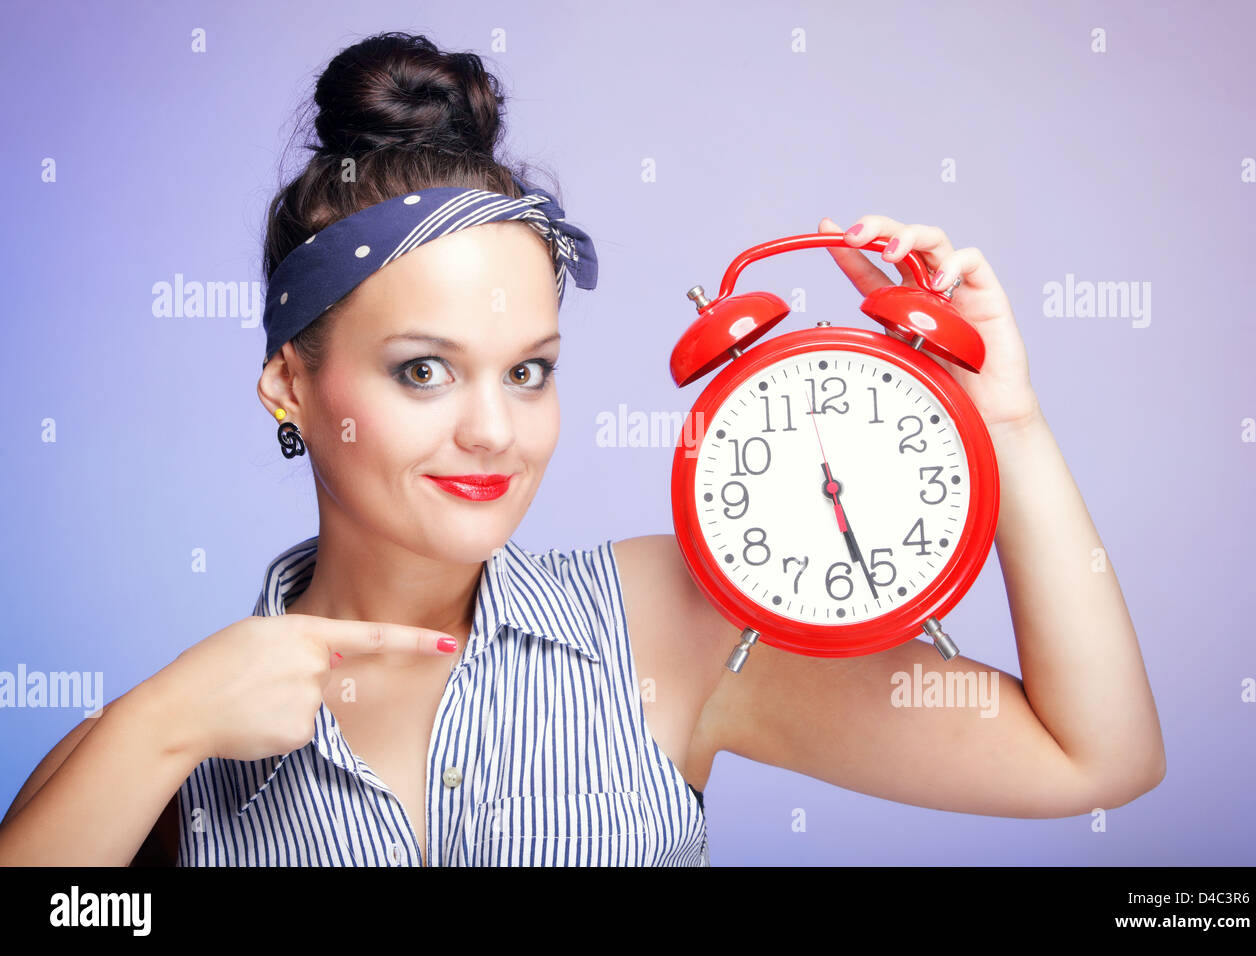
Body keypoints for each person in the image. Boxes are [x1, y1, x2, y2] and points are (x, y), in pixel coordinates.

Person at [0, 31, 1165, 867]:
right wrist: (161, 724)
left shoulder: (666, 625)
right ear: (289, 382)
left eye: (530, 369)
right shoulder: (176, 729)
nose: (493, 429)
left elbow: (1089, 757)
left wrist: (1001, 422)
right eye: (422, 369)